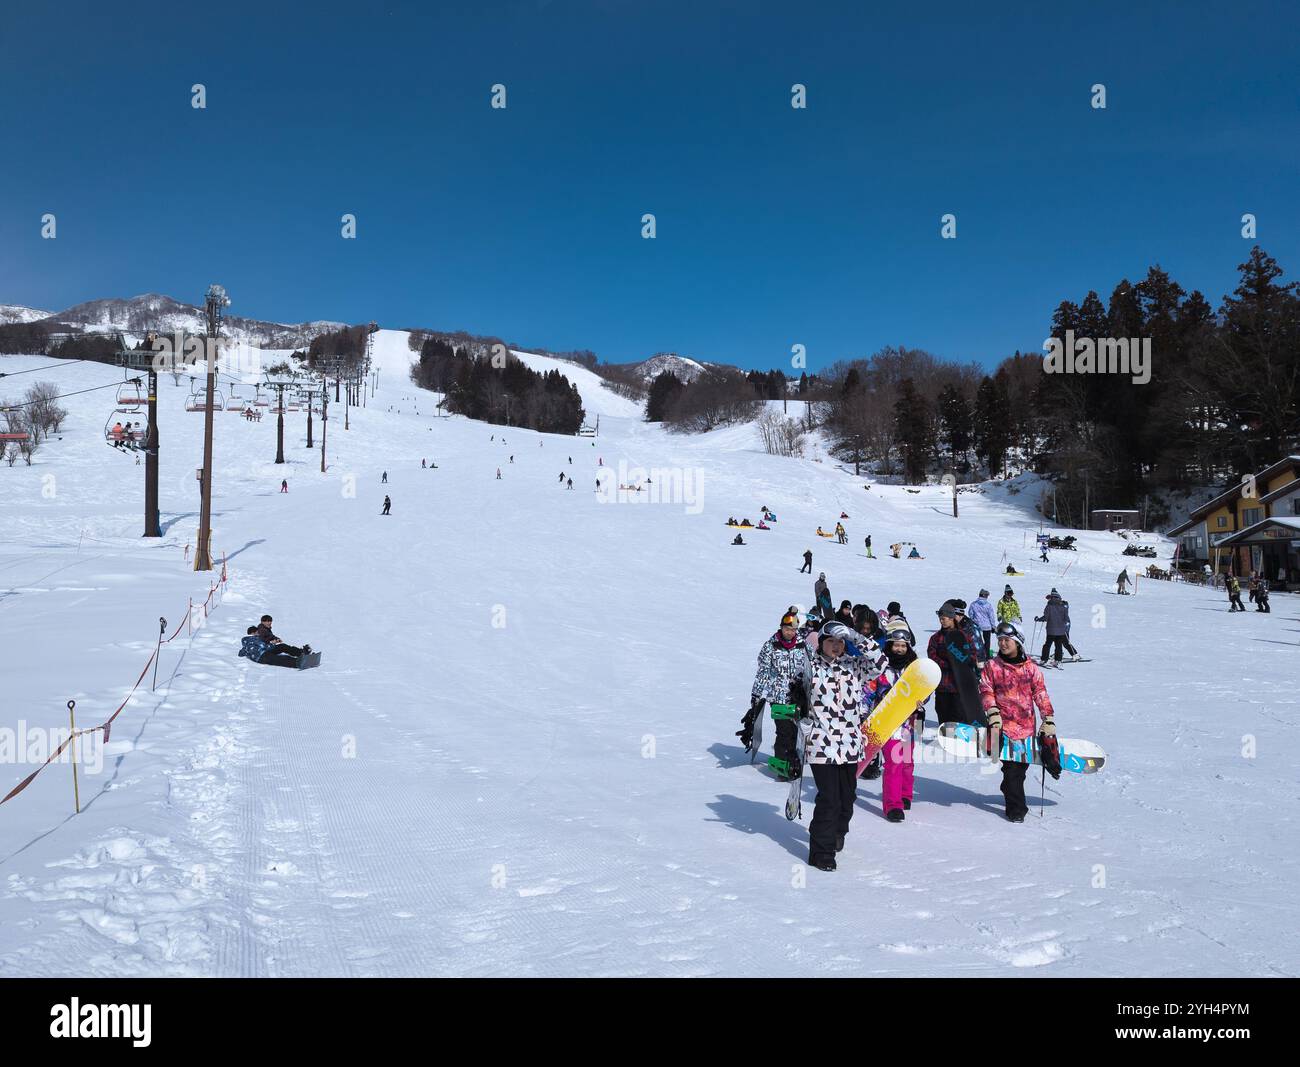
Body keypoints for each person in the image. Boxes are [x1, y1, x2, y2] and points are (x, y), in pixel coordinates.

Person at [794, 622, 876, 871]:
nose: (836, 646)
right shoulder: (810, 667)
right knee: (829, 798)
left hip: (850, 744)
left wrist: (855, 636)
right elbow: (794, 694)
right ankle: (821, 852)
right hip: (821, 743)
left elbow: (879, 662)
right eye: (831, 641)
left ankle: (837, 831)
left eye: (840, 642)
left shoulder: (853, 666)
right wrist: (800, 718)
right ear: (821, 643)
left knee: (847, 797)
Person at [980, 622, 1059, 822]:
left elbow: (1040, 693)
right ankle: (1016, 810)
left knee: (1018, 771)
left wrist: (1048, 718)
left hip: (1026, 728)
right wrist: (992, 712)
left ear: (1018, 642)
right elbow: (986, 690)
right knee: (1013, 770)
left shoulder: (1031, 668)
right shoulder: (993, 666)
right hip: (1002, 727)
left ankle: (1008, 788)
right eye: (1000, 640)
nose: (1003, 644)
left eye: (1007, 640)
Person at [739, 612, 812, 779]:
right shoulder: (770, 646)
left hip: (798, 697)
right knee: (784, 731)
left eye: (793, 629)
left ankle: (793, 761)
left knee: (795, 732)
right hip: (778, 697)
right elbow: (763, 672)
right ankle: (782, 768)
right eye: (787, 629)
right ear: (781, 627)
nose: (790, 632)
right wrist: (756, 694)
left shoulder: (803, 645)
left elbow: (812, 668)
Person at [865, 626, 927, 821]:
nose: (899, 649)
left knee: (907, 762)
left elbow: (926, 690)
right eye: (896, 645)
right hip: (887, 722)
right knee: (894, 763)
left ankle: (904, 795)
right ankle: (892, 805)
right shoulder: (880, 668)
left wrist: (922, 701)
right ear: (889, 646)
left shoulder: (914, 668)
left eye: (903, 646)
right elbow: (868, 692)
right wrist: (865, 712)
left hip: (910, 723)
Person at [927, 601, 982, 726]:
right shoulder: (936, 638)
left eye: (945, 618)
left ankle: (960, 742)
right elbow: (932, 656)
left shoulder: (964, 636)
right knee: (943, 715)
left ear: (952, 618)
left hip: (960, 686)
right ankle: (945, 740)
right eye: (940, 619)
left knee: (959, 716)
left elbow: (973, 654)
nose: (942, 621)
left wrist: (964, 662)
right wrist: (949, 664)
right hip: (942, 685)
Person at [1035, 589, 1077, 664]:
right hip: (1061, 631)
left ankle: (1044, 659)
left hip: (1051, 630)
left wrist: (1038, 619)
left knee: (1047, 645)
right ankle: (1058, 660)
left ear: (1052, 597)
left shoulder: (1049, 606)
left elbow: (1046, 617)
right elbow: (1066, 618)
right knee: (1058, 646)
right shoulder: (1063, 606)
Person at [969, 588, 997, 658]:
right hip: (987, 626)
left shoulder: (973, 604)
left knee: (978, 641)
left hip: (977, 626)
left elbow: (970, 614)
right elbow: (991, 616)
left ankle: (979, 655)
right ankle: (987, 656)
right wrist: (993, 626)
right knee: (987, 642)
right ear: (985, 596)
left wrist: (974, 620)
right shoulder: (988, 605)